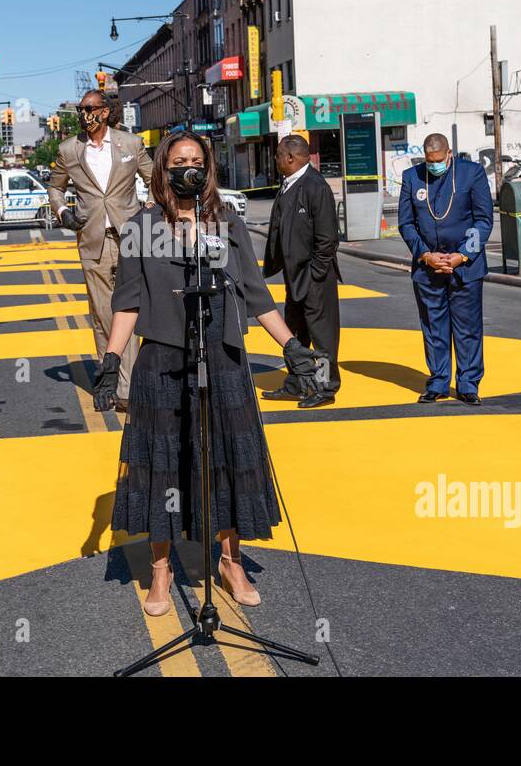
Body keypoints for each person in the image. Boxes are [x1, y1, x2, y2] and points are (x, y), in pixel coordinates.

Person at [93, 131, 324, 617]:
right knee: (163, 466)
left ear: (208, 168)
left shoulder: (227, 223)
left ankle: (230, 560)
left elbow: (257, 296)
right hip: (163, 361)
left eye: (196, 160)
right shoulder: (141, 226)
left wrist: (293, 349)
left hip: (222, 355)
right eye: (179, 161)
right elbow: (128, 301)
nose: (188, 168)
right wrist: (111, 362)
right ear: (162, 169)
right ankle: (161, 569)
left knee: (224, 459)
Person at [48, 89, 154, 410]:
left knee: (129, 311)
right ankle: (111, 379)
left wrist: (150, 209)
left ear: (105, 111)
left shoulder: (130, 144)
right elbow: (55, 187)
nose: (84, 114)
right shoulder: (69, 149)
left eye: (89, 108)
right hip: (92, 239)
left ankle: (129, 384)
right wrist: (63, 213)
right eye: (80, 109)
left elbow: (155, 179)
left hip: (129, 238)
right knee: (102, 313)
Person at [398, 133, 493, 405]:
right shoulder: (411, 177)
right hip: (428, 267)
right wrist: (425, 255)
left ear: (449, 154)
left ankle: (468, 383)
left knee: (467, 328)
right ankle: (438, 381)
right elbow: (406, 224)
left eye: (438, 161)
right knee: (433, 326)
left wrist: (462, 255)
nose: (434, 166)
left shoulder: (471, 174)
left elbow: (484, 221)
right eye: (429, 161)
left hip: (465, 267)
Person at [262, 134, 342, 408]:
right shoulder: (290, 184)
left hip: (313, 278)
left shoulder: (314, 186)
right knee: (295, 332)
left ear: (290, 158)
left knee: (321, 336)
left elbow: (328, 238)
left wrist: (315, 274)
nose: (275, 161)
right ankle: (297, 382)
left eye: (277, 156)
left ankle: (324, 387)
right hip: (294, 276)